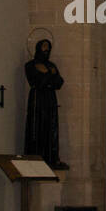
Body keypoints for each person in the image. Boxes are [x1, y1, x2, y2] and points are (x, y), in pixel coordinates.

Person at [24, 39, 67, 169]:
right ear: (38, 48)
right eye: (44, 46)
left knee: (51, 127)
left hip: (50, 99)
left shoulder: (51, 65)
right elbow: (37, 82)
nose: (46, 49)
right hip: (37, 99)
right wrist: (49, 75)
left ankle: (51, 158)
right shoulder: (30, 65)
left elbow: (59, 83)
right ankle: (35, 157)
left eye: (48, 47)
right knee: (37, 126)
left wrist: (48, 76)